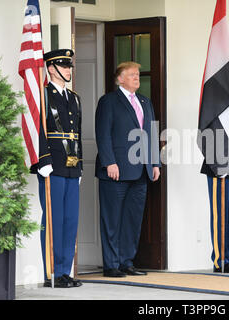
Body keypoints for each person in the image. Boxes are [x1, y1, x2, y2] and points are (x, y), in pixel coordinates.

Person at [95, 61, 161, 277]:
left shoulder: (145, 102)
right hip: (116, 170)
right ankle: (111, 265)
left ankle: (126, 262)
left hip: (141, 171)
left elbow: (151, 134)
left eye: (137, 74)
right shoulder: (109, 101)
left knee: (132, 219)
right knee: (112, 219)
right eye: (131, 74)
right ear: (119, 79)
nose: (136, 77)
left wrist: (154, 163)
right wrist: (109, 162)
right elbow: (103, 134)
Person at [33, 49, 83, 288]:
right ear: (51, 68)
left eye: (69, 66)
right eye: (64, 66)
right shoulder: (43, 95)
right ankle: (51, 272)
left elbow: (76, 134)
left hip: (72, 166)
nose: (68, 70)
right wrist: (43, 160)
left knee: (70, 220)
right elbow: (38, 130)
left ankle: (65, 271)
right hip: (52, 165)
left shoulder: (74, 97)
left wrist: (79, 165)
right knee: (54, 220)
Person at [200, 61, 229, 273]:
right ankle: (220, 260)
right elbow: (204, 134)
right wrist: (217, 162)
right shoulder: (215, 103)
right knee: (221, 216)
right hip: (219, 167)